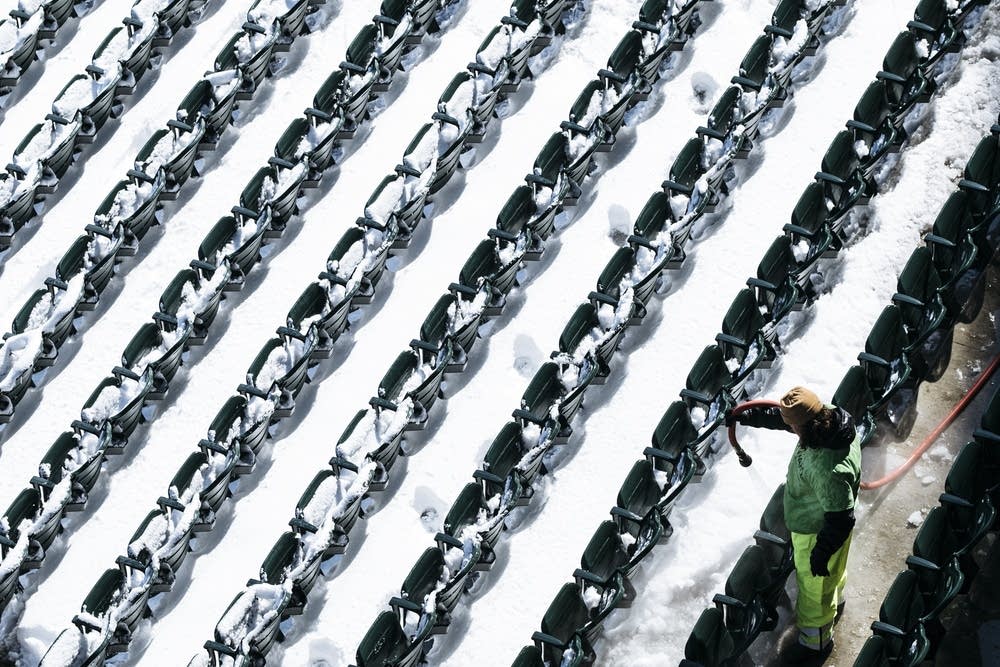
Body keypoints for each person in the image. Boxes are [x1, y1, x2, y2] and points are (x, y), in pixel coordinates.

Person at [726, 386, 861, 665]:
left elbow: (840, 519)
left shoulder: (827, 468)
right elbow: (787, 419)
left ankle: (816, 643)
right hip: (818, 523)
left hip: (817, 532)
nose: (789, 426)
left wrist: (820, 553)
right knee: (831, 577)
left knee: (813, 589)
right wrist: (753, 417)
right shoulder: (828, 419)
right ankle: (836, 600)